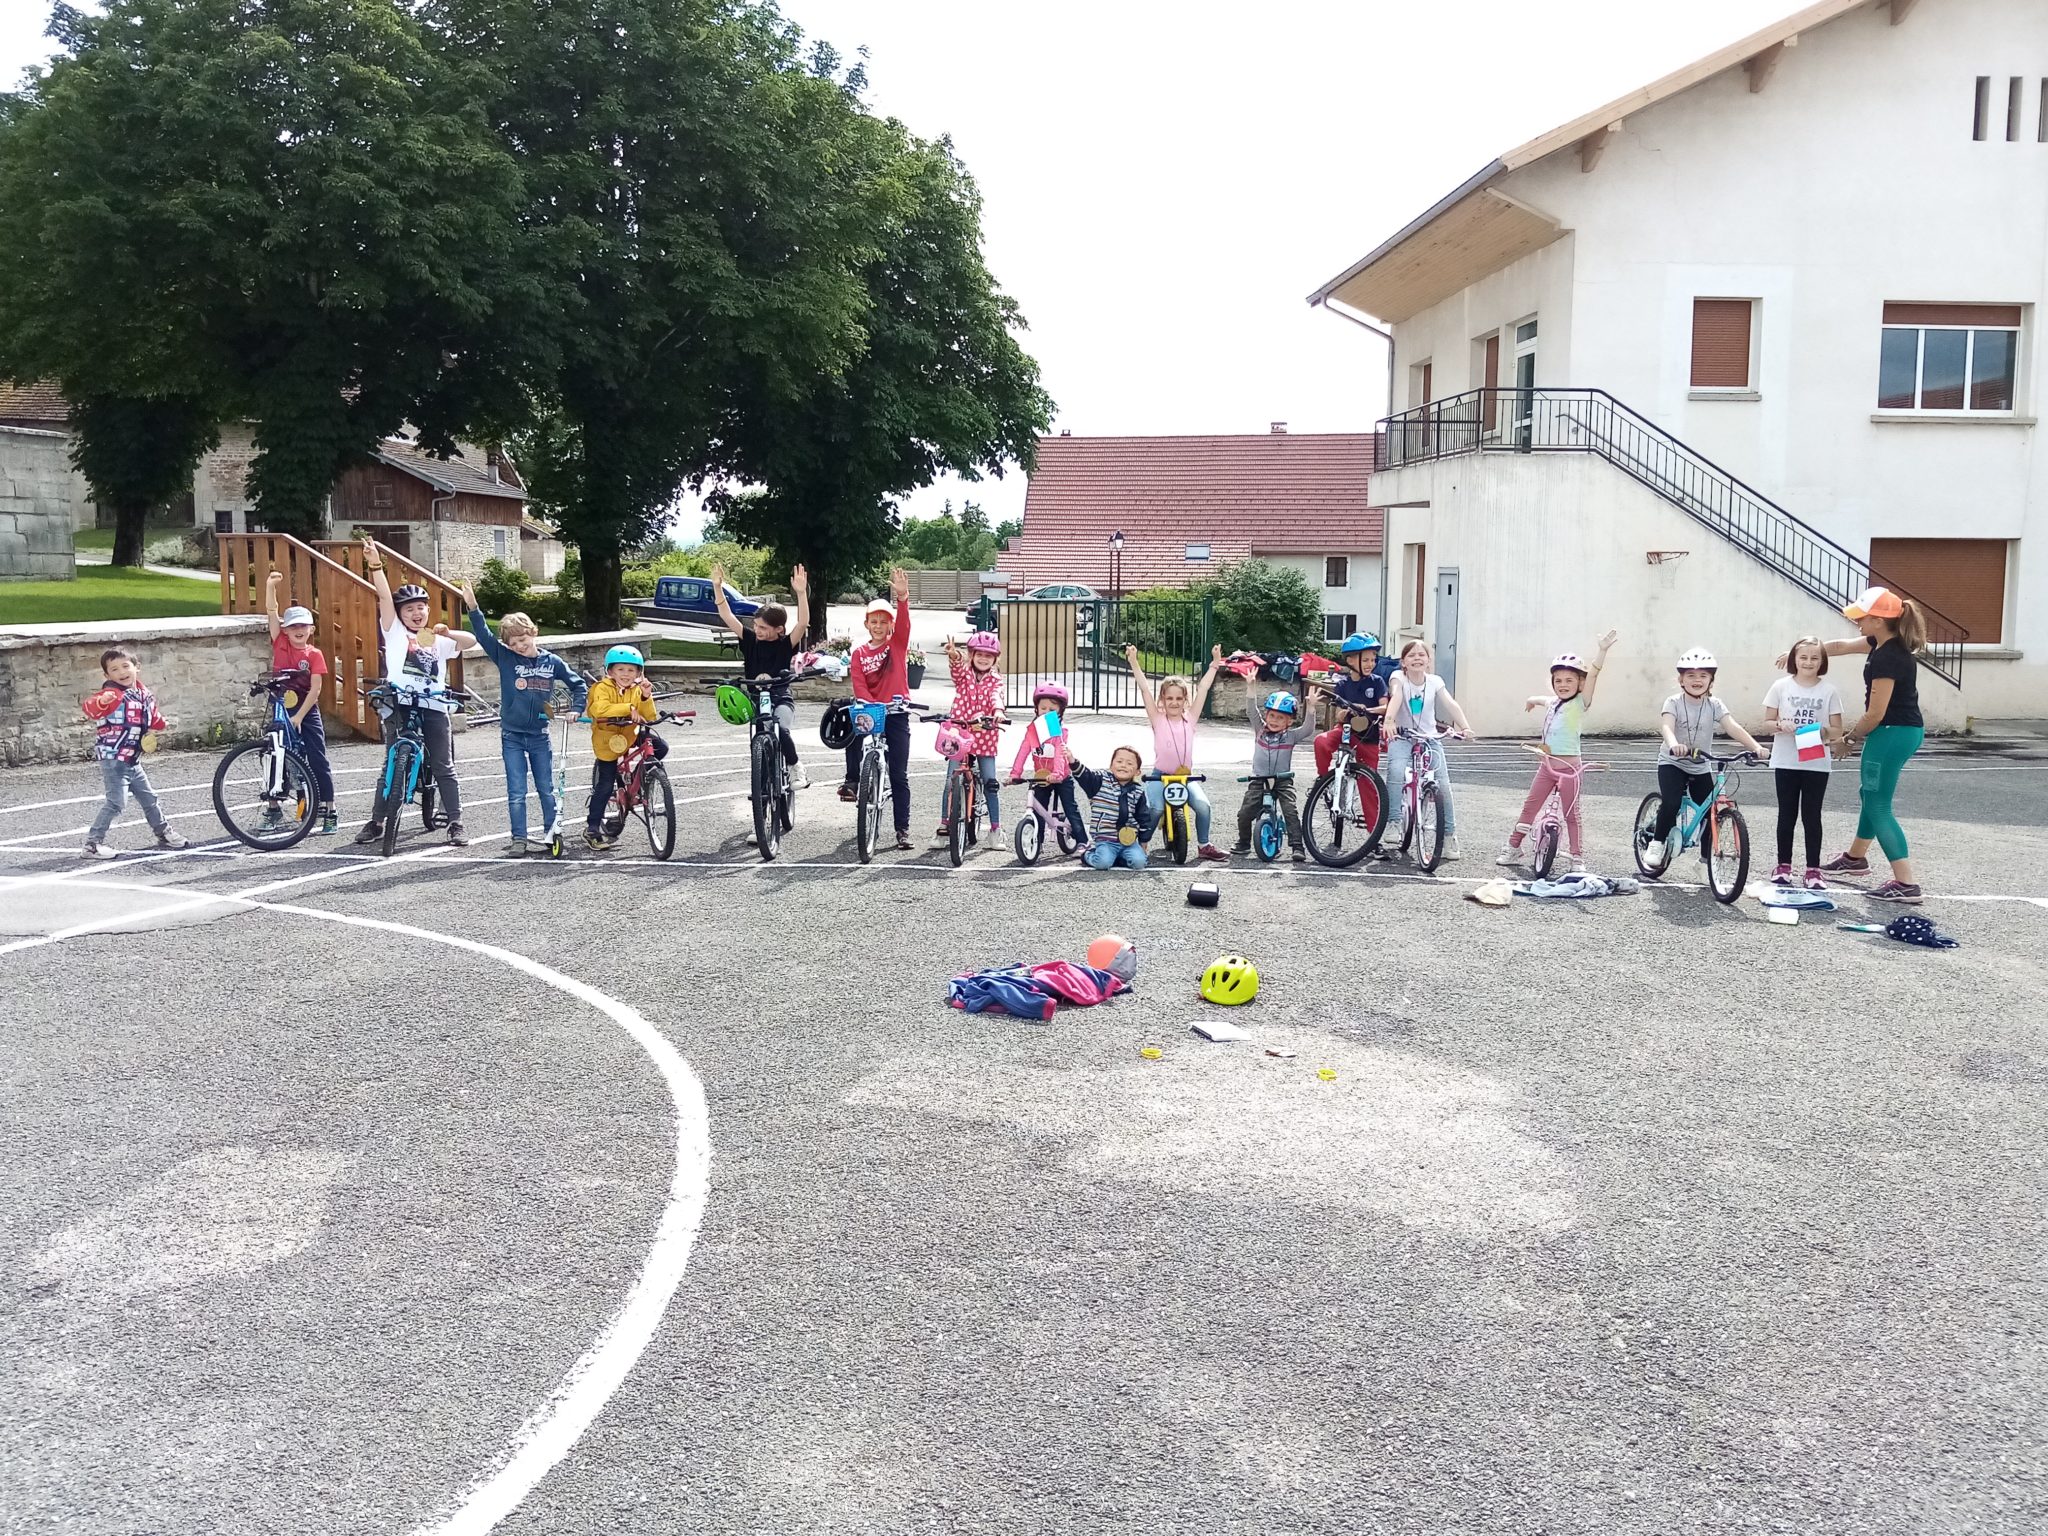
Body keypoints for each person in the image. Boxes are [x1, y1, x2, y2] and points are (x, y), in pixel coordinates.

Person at [1800, 587, 1929, 904]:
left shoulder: (1889, 657)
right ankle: (1855, 858)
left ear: (1878, 620)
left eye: (1862, 617)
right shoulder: (1880, 641)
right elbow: (1840, 646)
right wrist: (1802, 652)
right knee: (1869, 794)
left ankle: (1905, 883)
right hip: (1898, 731)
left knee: (1878, 803)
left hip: (1891, 733)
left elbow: (1876, 712)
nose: (1857, 622)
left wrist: (1849, 739)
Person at [354, 538, 476, 847]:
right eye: (410, 609)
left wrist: (449, 632)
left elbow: (470, 641)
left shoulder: (437, 638)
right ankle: (377, 821)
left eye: (421, 607)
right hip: (400, 702)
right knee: (391, 761)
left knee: (443, 764)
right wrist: (375, 564)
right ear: (401, 614)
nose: (416, 613)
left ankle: (455, 821)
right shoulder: (394, 632)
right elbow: (383, 596)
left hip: (433, 704)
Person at [460, 581, 587, 858]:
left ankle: (551, 833)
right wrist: (473, 607)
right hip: (512, 736)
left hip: (540, 735)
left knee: (546, 788)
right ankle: (519, 837)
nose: (519, 646)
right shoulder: (505, 657)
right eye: (513, 642)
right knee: (516, 790)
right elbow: (483, 635)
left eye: (523, 639)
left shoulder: (552, 662)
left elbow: (579, 685)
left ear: (534, 633)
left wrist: (577, 708)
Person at [1499, 629, 1618, 873]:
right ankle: (1514, 847)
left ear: (1580, 684)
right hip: (1547, 766)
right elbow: (1542, 699)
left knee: (1572, 814)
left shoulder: (1580, 703)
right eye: (1558, 681)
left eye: (1569, 681)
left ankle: (1577, 857)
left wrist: (1602, 651)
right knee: (1529, 807)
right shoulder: (1553, 702)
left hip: (1570, 769)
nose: (1563, 685)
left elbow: (1594, 674)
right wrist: (1531, 700)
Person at [1647, 648, 1769, 852]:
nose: (1697, 680)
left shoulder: (1714, 705)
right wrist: (1674, 744)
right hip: (1673, 762)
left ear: (1711, 681)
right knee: (1672, 802)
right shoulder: (1674, 702)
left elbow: (1732, 726)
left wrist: (1756, 747)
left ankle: (1705, 862)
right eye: (1691, 675)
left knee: (1710, 811)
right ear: (1681, 680)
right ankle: (1657, 843)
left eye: (1703, 675)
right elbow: (1667, 726)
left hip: (1700, 765)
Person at [1123, 641, 1229, 862]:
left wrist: (1214, 665)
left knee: (1203, 806)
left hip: (1185, 777)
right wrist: (1134, 663)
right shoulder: (1157, 719)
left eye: (1179, 698)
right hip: (1160, 776)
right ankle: (1142, 843)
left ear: (1185, 701)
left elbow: (1203, 689)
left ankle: (1204, 844)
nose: (1174, 702)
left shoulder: (1190, 719)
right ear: (1162, 699)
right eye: (1169, 698)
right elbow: (1144, 689)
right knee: (1155, 809)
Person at [80, 647, 188, 858]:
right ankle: (92, 844)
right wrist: (101, 702)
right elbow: (90, 707)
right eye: (114, 669)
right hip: (113, 757)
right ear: (107, 675)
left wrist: (162, 723)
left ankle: (163, 833)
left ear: (137, 667)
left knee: (149, 798)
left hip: (131, 758)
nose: (121, 672)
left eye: (125, 666)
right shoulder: (110, 694)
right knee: (116, 803)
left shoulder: (143, 694)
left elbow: (152, 717)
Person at [713, 562, 810, 789]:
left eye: (764, 628)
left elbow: (803, 622)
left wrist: (801, 592)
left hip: (780, 697)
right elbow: (727, 616)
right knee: (759, 742)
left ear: (779, 629)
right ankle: (762, 791)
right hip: (755, 700)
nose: (757, 630)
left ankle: (796, 766)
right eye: (756, 625)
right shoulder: (749, 641)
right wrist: (718, 588)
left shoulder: (786, 645)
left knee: (781, 728)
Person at [838, 568, 915, 851]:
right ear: (867, 624)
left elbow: (905, 623)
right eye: (875, 621)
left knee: (899, 774)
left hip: (896, 713)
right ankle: (852, 780)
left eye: (884, 621)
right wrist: (868, 703)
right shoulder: (859, 652)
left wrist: (902, 597)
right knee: (853, 730)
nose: (879, 626)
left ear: (891, 625)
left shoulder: (897, 645)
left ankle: (902, 829)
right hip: (871, 710)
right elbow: (858, 681)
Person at [1762, 637, 1846, 889]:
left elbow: (1837, 730)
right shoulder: (1780, 686)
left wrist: (1817, 732)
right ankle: (1783, 865)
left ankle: (1813, 870)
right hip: (1786, 760)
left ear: (1822, 662)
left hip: (1815, 762)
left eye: (1814, 658)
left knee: (1812, 816)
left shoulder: (1829, 690)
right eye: (1803, 657)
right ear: (1794, 660)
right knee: (1786, 814)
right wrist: (1780, 725)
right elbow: (1766, 723)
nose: (1808, 662)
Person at [1380, 640, 1473, 859]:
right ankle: (1393, 822)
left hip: (1429, 738)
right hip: (1403, 736)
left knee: (1443, 784)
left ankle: (1449, 835)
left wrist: (1465, 726)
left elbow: (1450, 703)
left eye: (1421, 655)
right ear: (1403, 661)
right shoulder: (1398, 678)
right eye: (1411, 655)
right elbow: (1396, 697)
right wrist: (1390, 720)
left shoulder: (1435, 681)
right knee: (1395, 771)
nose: (1417, 658)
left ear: (1428, 661)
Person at [264, 570, 337, 834]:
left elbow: (315, 689)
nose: (298, 631)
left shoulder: (314, 654)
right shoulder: (279, 642)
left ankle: (330, 809)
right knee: (275, 757)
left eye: (303, 627)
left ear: (311, 630)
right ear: (285, 630)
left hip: (305, 709)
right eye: (293, 626)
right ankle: (273, 808)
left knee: (318, 757)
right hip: (282, 706)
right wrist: (270, 586)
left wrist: (299, 716)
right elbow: (271, 611)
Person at [583, 644, 664, 852]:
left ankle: (641, 777)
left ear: (639, 672)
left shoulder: (638, 689)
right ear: (610, 671)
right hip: (608, 738)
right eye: (620, 669)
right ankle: (592, 828)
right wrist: (628, 709)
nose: (626, 674)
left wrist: (646, 697)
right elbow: (598, 708)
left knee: (660, 747)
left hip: (630, 733)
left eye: (631, 670)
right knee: (605, 783)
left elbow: (649, 716)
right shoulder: (600, 688)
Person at [938, 631, 1006, 844]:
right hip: (960, 732)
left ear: (995, 658)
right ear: (972, 654)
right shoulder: (964, 673)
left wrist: (998, 712)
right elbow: (956, 668)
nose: (983, 658)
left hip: (986, 734)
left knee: (990, 782)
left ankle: (995, 829)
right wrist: (954, 655)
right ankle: (944, 825)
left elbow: (997, 696)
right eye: (979, 654)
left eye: (989, 655)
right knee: (951, 780)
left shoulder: (996, 680)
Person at [1235, 682, 1314, 863]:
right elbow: (1250, 710)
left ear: (1290, 721)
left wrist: (1311, 707)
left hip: (1282, 780)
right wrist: (1251, 687)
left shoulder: (1291, 736)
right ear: (1266, 715)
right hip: (1259, 778)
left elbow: (1308, 729)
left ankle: (1297, 846)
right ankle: (1244, 841)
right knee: (1245, 812)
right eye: (1272, 716)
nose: (1274, 720)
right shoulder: (1260, 730)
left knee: (1290, 810)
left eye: (1280, 718)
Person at [1008, 680, 1088, 848]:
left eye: (1052, 710)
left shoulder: (1058, 730)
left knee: (1070, 807)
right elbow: (1023, 751)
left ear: (1060, 712)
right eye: (1043, 708)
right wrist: (1015, 774)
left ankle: (1082, 841)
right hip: (1042, 777)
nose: (1046, 713)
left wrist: (1058, 774)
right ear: (1036, 709)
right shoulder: (1033, 730)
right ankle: (1037, 843)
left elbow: (1060, 751)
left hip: (1061, 777)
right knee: (1038, 808)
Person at [1312, 632, 1389, 781]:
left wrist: (1365, 710)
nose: (1370, 664)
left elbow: (1385, 707)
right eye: (1365, 660)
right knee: (1321, 741)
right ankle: (1322, 778)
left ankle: (1372, 803)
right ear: (1350, 660)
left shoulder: (1377, 681)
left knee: (1369, 782)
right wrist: (1346, 711)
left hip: (1369, 734)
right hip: (1346, 730)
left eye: (1373, 660)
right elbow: (1338, 715)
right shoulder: (1342, 685)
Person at [1076, 746, 1152, 870]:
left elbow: (1143, 817)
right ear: (1111, 766)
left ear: (1137, 771)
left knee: (1139, 863)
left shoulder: (1138, 791)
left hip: (1129, 841)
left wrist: (1143, 843)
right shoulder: (1100, 782)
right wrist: (1073, 762)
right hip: (1106, 839)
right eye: (1119, 761)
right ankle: (1087, 854)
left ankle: (1118, 857)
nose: (1123, 765)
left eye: (1129, 763)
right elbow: (1085, 776)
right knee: (1103, 863)